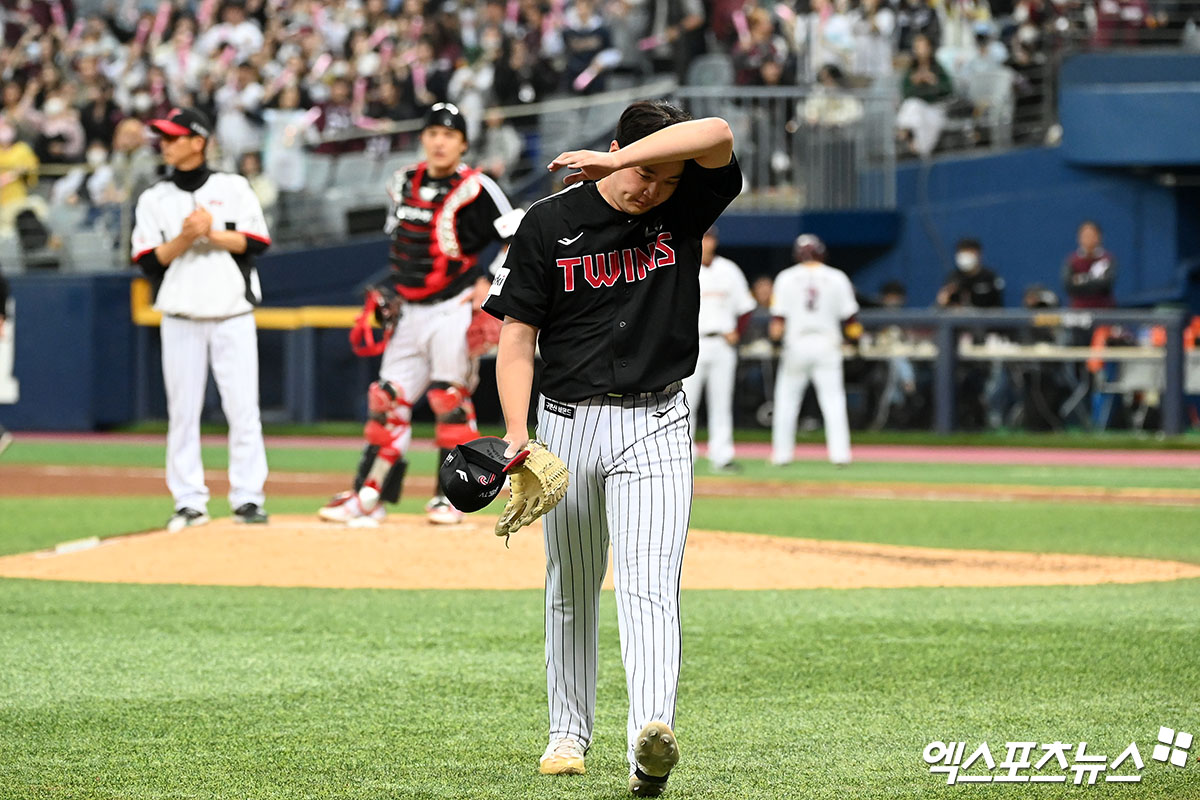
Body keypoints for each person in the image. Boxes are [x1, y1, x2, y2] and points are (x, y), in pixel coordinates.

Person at [482, 101, 740, 796]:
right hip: (565, 422)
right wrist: (516, 437)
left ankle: (650, 740)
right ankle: (567, 732)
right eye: (641, 169)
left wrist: (624, 161)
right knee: (570, 585)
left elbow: (717, 134)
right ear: (619, 144)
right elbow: (515, 340)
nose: (650, 186)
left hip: (656, 422)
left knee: (650, 585)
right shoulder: (549, 223)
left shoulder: (684, 206)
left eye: (664, 175)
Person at [318, 102, 521, 526]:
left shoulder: (478, 187)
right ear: (423, 139)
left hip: (452, 309)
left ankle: (452, 496)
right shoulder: (403, 183)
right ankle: (369, 494)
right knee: (386, 399)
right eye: (432, 133)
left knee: (450, 401)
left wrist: (490, 285)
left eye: (449, 135)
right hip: (409, 312)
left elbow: (518, 238)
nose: (439, 141)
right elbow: (404, 250)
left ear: (463, 143)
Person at [130, 107, 272, 532]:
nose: (166, 145)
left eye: (174, 137)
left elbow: (257, 243)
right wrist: (187, 236)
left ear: (199, 141)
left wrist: (209, 232)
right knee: (183, 412)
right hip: (181, 313)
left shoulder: (233, 187)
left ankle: (248, 497)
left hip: (232, 311)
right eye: (163, 138)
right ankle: (188, 500)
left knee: (243, 409)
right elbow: (147, 262)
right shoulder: (154, 197)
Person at [769, 234, 859, 466]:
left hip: (797, 343)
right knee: (833, 401)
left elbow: (777, 322)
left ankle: (782, 455)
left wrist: (775, 343)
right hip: (827, 343)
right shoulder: (837, 277)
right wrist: (855, 342)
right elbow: (851, 320)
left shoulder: (786, 277)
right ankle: (840, 455)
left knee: (787, 401)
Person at [682, 225, 755, 472]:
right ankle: (684, 456)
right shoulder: (683, 264)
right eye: (704, 236)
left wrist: (738, 332)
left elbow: (746, 307)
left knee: (722, 403)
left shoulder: (729, 270)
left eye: (710, 237)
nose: (708, 242)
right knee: (685, 403)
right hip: (694, 343)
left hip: (722, 344)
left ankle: (722, 456)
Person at [935, 238, 1004, 308]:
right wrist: (943, 301)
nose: (966, 257)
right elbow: (942, 305)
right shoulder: (953, 278)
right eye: (962, 252)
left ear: (979, 254)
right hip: (960, 318)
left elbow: (998, 308)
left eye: (970, 252)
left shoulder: (989, 277)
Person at [1062, 220, 1116, 309]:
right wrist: (1095, 280)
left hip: (1104, 312)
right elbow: (1069, 286)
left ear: (1099, 237)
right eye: (1085, 236)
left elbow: (1106, 285)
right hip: (1078, 313)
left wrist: (1080, 279)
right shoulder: (1072, 260)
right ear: (1079, 238)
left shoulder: (1108, 259)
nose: (1089, 239)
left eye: (1092, 235)